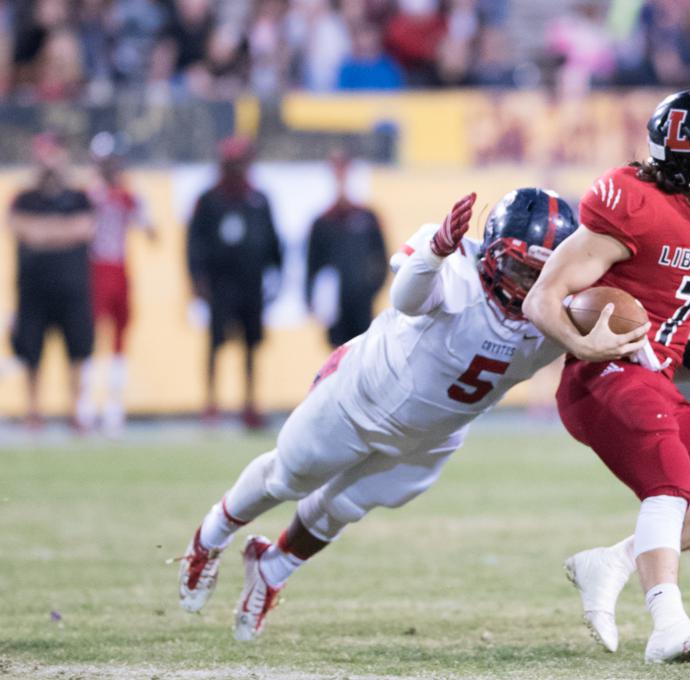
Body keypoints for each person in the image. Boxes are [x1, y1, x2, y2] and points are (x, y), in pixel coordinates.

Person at [175, 188, 578, 642]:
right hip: (361, 396)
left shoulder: (566, 310)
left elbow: (618, 326)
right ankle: (209, 537)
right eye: (518, 267)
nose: (526, 285)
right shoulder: (455, 266)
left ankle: (273, 569)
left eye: (540, 274)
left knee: (342, 507)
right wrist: (436, 250)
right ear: (490, 252)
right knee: (285, 479)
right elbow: (407, 298)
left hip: (432, 436)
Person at [523, 89, 690, 664]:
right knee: (670, 483)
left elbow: (677, 323)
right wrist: (583, 344)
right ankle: (668, 624)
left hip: (656, 380)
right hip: (604, 378)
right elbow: (543, 299)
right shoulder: (632, 203)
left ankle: (614, 560)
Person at [186, 136, 282, 429]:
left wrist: (276, 274)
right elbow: (194, 243)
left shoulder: (258, 199)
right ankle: (211, 402)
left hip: (250, 282)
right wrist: (197, 279)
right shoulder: (208, 199)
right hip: (220, 283)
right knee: (215, 343)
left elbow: (273, 242)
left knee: (251, 345)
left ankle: (250, 403)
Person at [8, 132, 95, 431]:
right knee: (31, 351)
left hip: (72, 288)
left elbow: (84, 229)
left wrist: (44, 231)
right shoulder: (24, 197)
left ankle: (76, 410)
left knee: (77, 351)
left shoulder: (79, 197)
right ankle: (33, 410)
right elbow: (24, 230)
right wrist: (61, 230)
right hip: (33, 289)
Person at [85, 132, 157, 436]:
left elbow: (151, 230)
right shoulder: (89, 195)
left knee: (118, 339)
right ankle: (86, 405)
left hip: (118, 269)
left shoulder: (126, 195)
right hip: (94, 269)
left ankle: (113, 406)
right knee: (88, 339)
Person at [306, 151, 389, 347]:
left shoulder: (367, 217)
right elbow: (312, 265)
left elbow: (381, 258)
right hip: (334, 307)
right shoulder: (322, 222)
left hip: (361, 305)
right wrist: (312, 299)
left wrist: (369, 290)